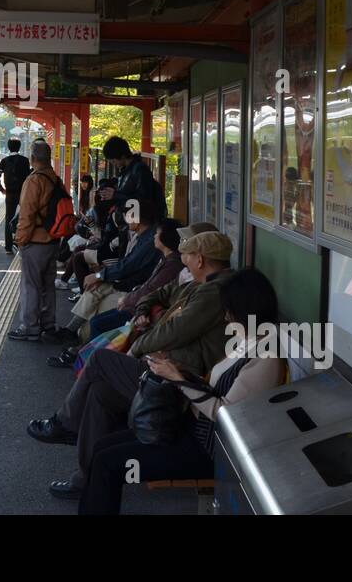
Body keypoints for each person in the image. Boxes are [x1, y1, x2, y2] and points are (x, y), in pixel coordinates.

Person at [27, 231, 237, 498]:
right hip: (164, 370)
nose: (183, 259)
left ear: (201, 259)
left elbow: (174, 331)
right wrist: (142, 311)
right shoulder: (198, 284)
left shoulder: (212, 292)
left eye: (189, 254)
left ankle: (65, 422)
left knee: (101, 359)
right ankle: (85, 478)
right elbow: (156, 294)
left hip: (177, 383)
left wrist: (135, 349)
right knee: (99, 393)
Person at [79, 268, 284, 515]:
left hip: (210, 453)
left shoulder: (266, 357)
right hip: (191, 432)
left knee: (108, 464)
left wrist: (178, 379)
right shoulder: (247, 342)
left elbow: (224, 414)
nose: (227, 317)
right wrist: (179, 372)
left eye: (229, 310)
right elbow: (215, 390)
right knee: (102, 448)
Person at [48, 219, 184, 369]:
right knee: (95, 301)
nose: (154, 237)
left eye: (157, 234)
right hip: (138, 300)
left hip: (141, 308)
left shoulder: (171, 263)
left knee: (98, 322)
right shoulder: (165, 257)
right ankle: (79, 347)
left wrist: (129, 298)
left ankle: (87, 359)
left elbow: (149, 287)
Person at [57, 201, 163, 345]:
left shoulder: (148, 241)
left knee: (95, 313)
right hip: (126, 283)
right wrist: (100, 277)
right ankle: (70, 331)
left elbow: (128, 265)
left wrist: (100, 275)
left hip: (132, 289)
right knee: (94, 289)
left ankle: (81, 346)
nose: (125, 219)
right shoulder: (143, 236)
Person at [7, 140, 65, 342]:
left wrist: (20, 240)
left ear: (32, 159)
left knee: (30, 285)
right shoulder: (55, 179)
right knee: (48, 285)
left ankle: (29, 327)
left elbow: (27, 214)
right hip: (53, 241)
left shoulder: (34, 180)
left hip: (36, 242)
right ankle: (48, 324)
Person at [0, 138, 31, 254]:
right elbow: (29, 176)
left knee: (8, 218)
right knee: (26, 217)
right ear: (19, 147)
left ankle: (8, 247)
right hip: (22, 193)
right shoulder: (25, 161)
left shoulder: (4, 161)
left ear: (9, 147)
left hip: (9, 194)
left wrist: (2, 190)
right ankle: (23, 243)